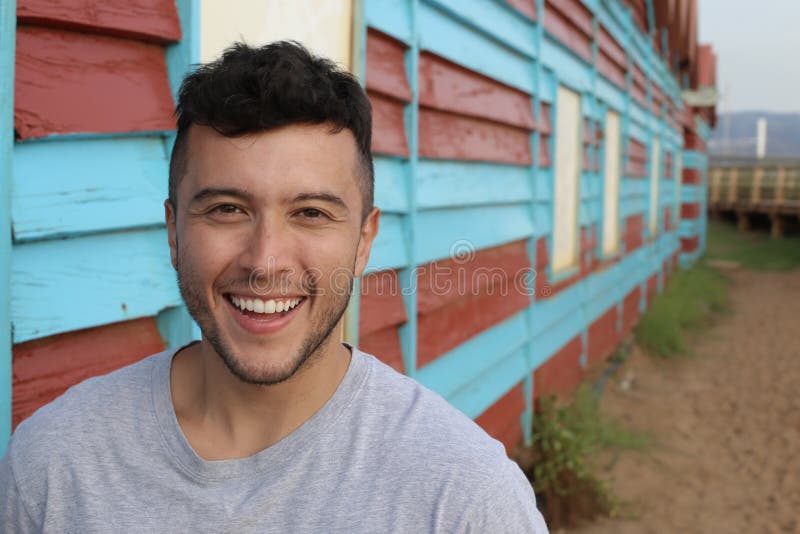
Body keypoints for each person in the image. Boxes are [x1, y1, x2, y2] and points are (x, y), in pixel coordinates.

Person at [0, 41, 547, 533]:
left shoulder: (465, 501)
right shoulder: (55, 466)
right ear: (173, 231)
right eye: (227, 210)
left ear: (363, 241)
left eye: (310, 213)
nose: (265, 262)